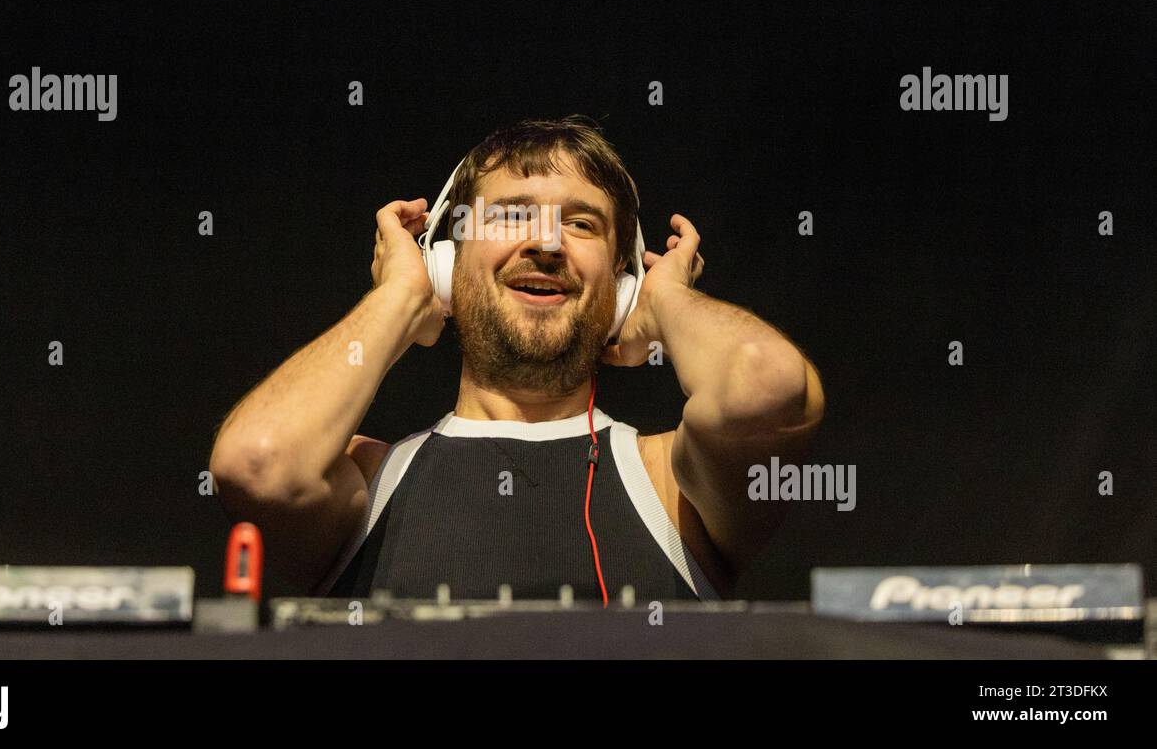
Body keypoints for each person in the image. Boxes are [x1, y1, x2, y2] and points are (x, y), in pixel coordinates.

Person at [209, 115, 823, 603]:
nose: (546, 242)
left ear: (622, 287)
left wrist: (667, 301)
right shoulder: (365, 486)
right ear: (446, 265)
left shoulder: (673, 487)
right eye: (510, 215)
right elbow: (258, 464)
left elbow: (764, 384)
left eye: (581, 225)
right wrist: (398, 297)